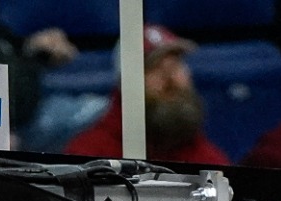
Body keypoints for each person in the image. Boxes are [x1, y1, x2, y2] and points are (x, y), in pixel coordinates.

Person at [66, 24, 229, 167]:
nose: (170, 78)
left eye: (175, 65)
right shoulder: (91, 156)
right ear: (126, 83)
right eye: (154, 67)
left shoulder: (208, 159)